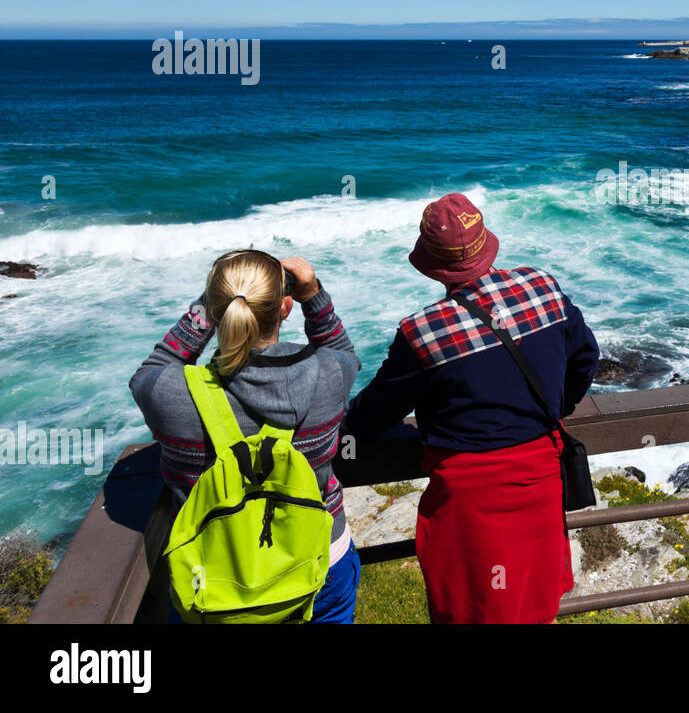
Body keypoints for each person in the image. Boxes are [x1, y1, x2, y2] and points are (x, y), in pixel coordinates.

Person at [344, 192, 599, 624]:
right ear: (485, 243)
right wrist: (558, 407)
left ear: (432, 262)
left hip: (471, 497)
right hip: (538, 476)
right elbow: (585, 359)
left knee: (473, 608)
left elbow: (372, 415)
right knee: (531, 605)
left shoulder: (421, 331)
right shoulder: (543, 286)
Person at [130, 250, 362, 623]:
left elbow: (154, 368)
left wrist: (209, 306)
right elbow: (340, 349)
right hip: (318, 560)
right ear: (284, 307)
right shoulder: (330, 375)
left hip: (210, 578)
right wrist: (313, 295)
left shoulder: (171, 395)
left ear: (216, 311)